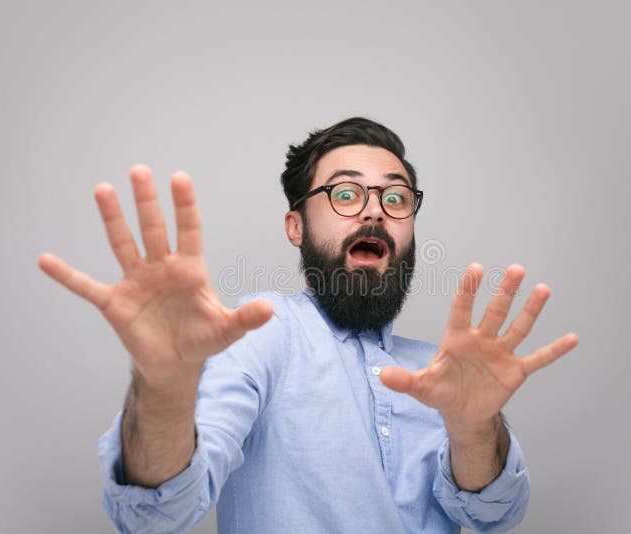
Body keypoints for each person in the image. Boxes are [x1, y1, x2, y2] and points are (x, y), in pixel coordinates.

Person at [38, 117, 579, 533]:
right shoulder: (265, 334)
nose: (374, 212)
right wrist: (164, 389)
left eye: (395, 197)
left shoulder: (441, 373)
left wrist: (473, 426)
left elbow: (498, 514)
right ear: (296, 226)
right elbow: (153, 516)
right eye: (345, 193)